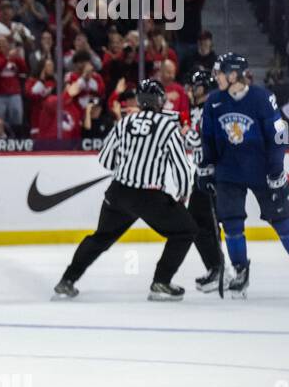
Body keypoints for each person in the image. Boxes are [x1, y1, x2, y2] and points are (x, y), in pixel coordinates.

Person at [54, 79, 197, 301]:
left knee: (100, 238)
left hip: (119, 192)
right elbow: (181, 166)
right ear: (160, 101)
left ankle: (67, 280)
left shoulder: (125, 123)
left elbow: (106, 159)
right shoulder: (168, 126)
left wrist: (129, 165)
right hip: (150, 196)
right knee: (186, 230)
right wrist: (183, 195)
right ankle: (161, 281)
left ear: (139, 100)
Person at [198, 52, 289, 297]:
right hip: (229, 172)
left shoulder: (264, 98)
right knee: (231, 224)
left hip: (262, 171)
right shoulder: (213, 102)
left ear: (233, 75)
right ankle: (241, 270)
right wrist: (206, 166)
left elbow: (279, 135)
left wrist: (276, 170)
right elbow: (207, 137)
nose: (216, 77)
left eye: (219, 73)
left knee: (282, 221)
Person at [184, 69, 225, 290]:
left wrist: (184, 132)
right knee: (205, 223)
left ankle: (219, 268)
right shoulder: (200, 109)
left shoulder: (209, 109)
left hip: (212, 172)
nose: (191, 90)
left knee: (202, 222)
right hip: (203, 172)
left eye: (195, 86)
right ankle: (217, 267)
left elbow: (200, 140)